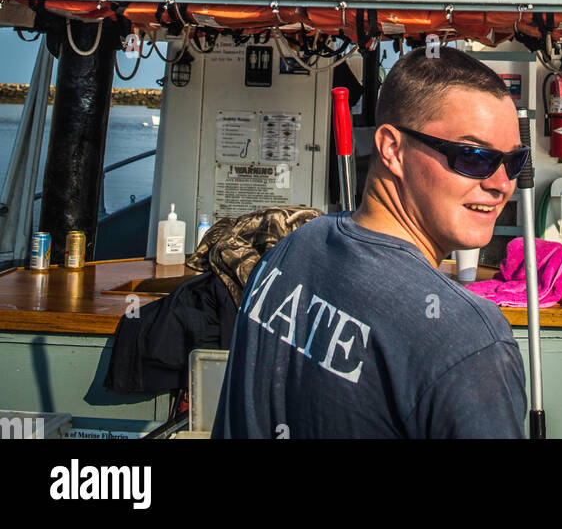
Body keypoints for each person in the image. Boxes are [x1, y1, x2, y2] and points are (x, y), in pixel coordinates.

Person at [211, 46, 528, 439]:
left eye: (514, 161)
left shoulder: (290, 249)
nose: (501, 185)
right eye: (473, 156)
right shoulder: (468, 339)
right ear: (393, 149)